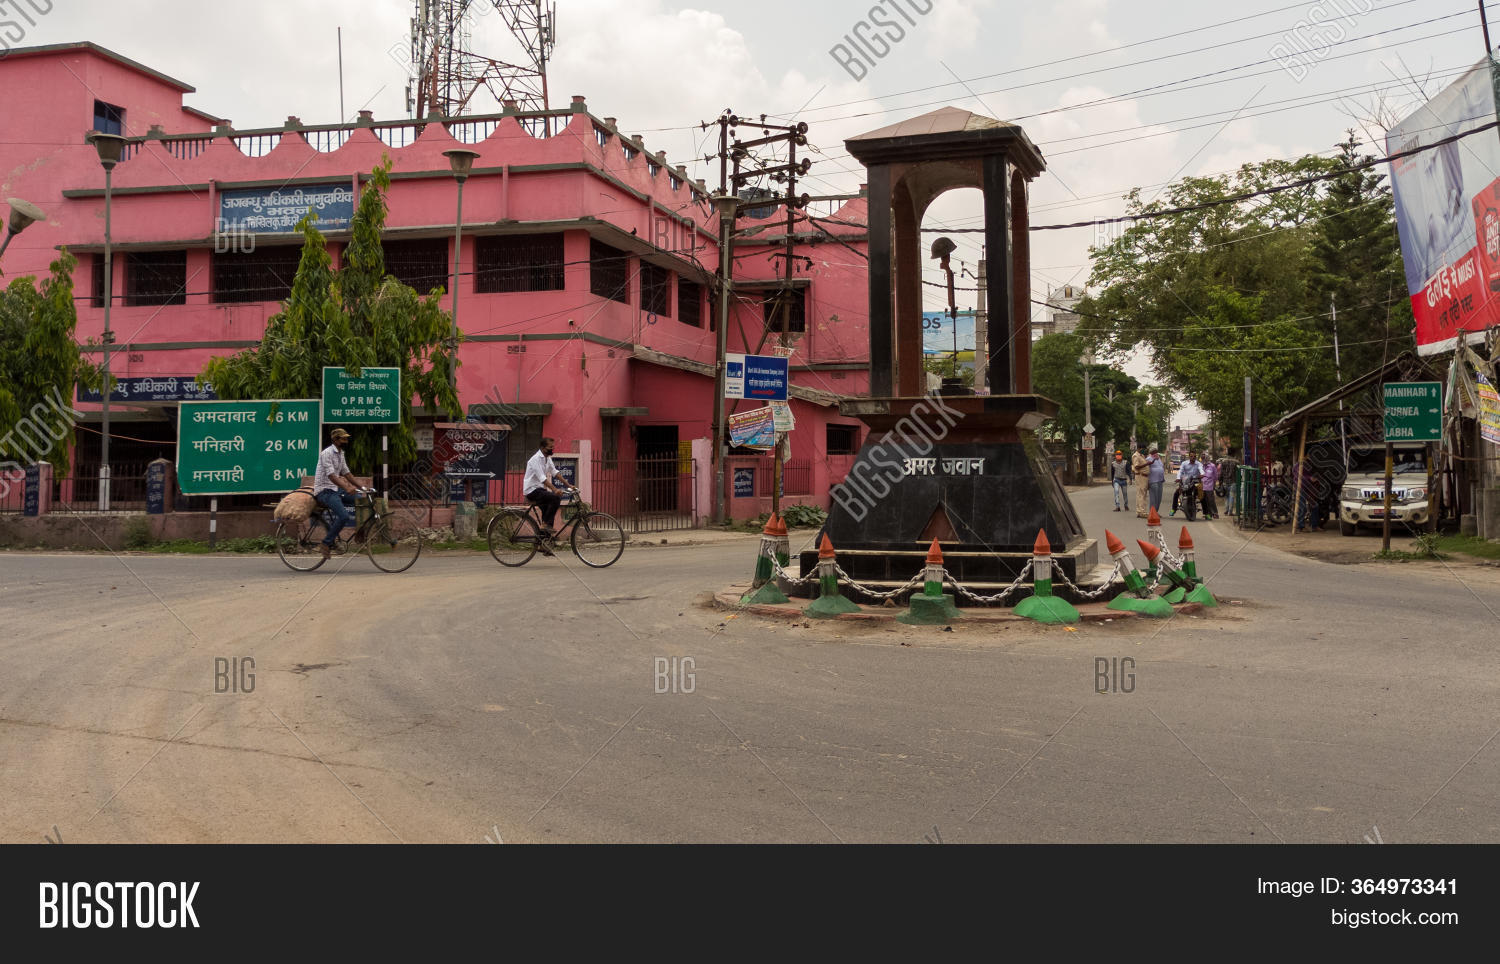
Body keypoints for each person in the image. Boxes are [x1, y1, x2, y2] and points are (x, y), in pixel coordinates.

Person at [313, 427, 361, 560]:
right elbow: (332, 476)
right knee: (344, 516)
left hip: (335, 489)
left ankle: (360, 532)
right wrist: (346, 487)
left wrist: (361, 487)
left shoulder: (341, 453)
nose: (345, 441)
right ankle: (326, 543)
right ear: (335, 440)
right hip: (324, 490)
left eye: (346, 438)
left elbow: (346, 473)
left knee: (361, 500)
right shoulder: (326, 453)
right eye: (343, 438)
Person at [524, 437, 577, 554]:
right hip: (531, 491)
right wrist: (555, 490)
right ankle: (544, 525)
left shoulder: (547, 459)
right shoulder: (535, 459)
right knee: (555, 498)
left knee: (549, 511)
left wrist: (569, 485)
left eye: (553, 447)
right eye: (550, 447)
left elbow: (555, 472)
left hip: (539, 490)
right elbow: (542, 478)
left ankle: (544, 544)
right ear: (543, 448)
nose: (552, 449)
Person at [1172, 451, 1203, 517]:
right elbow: (1180, 471)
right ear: (1189, 457)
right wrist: (1178, 478)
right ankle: (1173, 509)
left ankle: (1206, 513)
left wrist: (1202, 474)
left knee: (1201, 493)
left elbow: (1201, 469)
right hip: (1185, 482)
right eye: (1191, 456)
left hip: (1195, 482)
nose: (1193, 458)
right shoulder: (1184, 463)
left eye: (1194, 456)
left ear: (1196, 457)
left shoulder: (1199, 464)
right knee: (1176, 493)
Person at [1220, 448, 1241, 517]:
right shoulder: (1236, 462)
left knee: (1227, 496)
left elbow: (1221, 473)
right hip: (1233, 481)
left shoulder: (1223, 461)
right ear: (1234, 454)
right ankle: (1230, 511)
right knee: (1232, 496)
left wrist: (1221, 481)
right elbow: (1239, 473)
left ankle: (1226, 510)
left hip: (1225, 481)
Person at [1131, 445, 1150, 518]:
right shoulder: (1136, 456)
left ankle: (1140, 511)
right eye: (1143, 448)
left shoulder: (1141, 455)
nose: (1144, 450)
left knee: (1142, 494)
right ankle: (1142, 512)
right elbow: (1136, 467)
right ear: (1139, 448)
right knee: (1141, 494)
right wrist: (1147, 464)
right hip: (1140, 476)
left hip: (1144, 476)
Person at [1146, 443, 1165, 515]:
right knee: (1153, 498)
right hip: (1153, 481)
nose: (1155, 453)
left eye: (1156, 452)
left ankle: (1155, 512)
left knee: (1159, 498)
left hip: (1160, 480)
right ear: (1151, 453)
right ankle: (1152, 512)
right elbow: (1147, 470)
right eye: (1154, 452)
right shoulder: (1148, 459)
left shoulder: (1158, 459)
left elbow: (1161, 467)